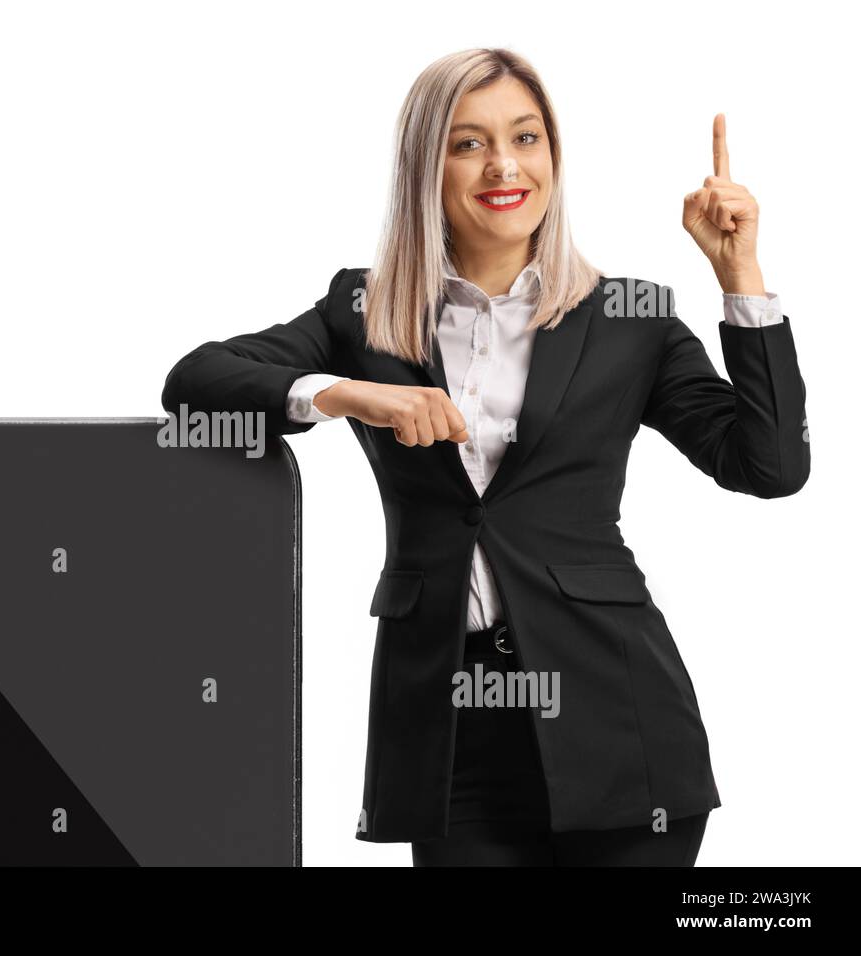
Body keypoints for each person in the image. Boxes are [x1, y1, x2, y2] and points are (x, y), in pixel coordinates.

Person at [160, 48, 808, 866]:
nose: (504, 165)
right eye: (468, 144)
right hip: (446, 730)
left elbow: (772, 466)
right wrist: (349, 395)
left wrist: (739, 277)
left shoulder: (629, 318)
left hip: (619, 719)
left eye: (526, 138)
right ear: (425, 167)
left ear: (553, 157)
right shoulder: (364, 310)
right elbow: (194, 381)